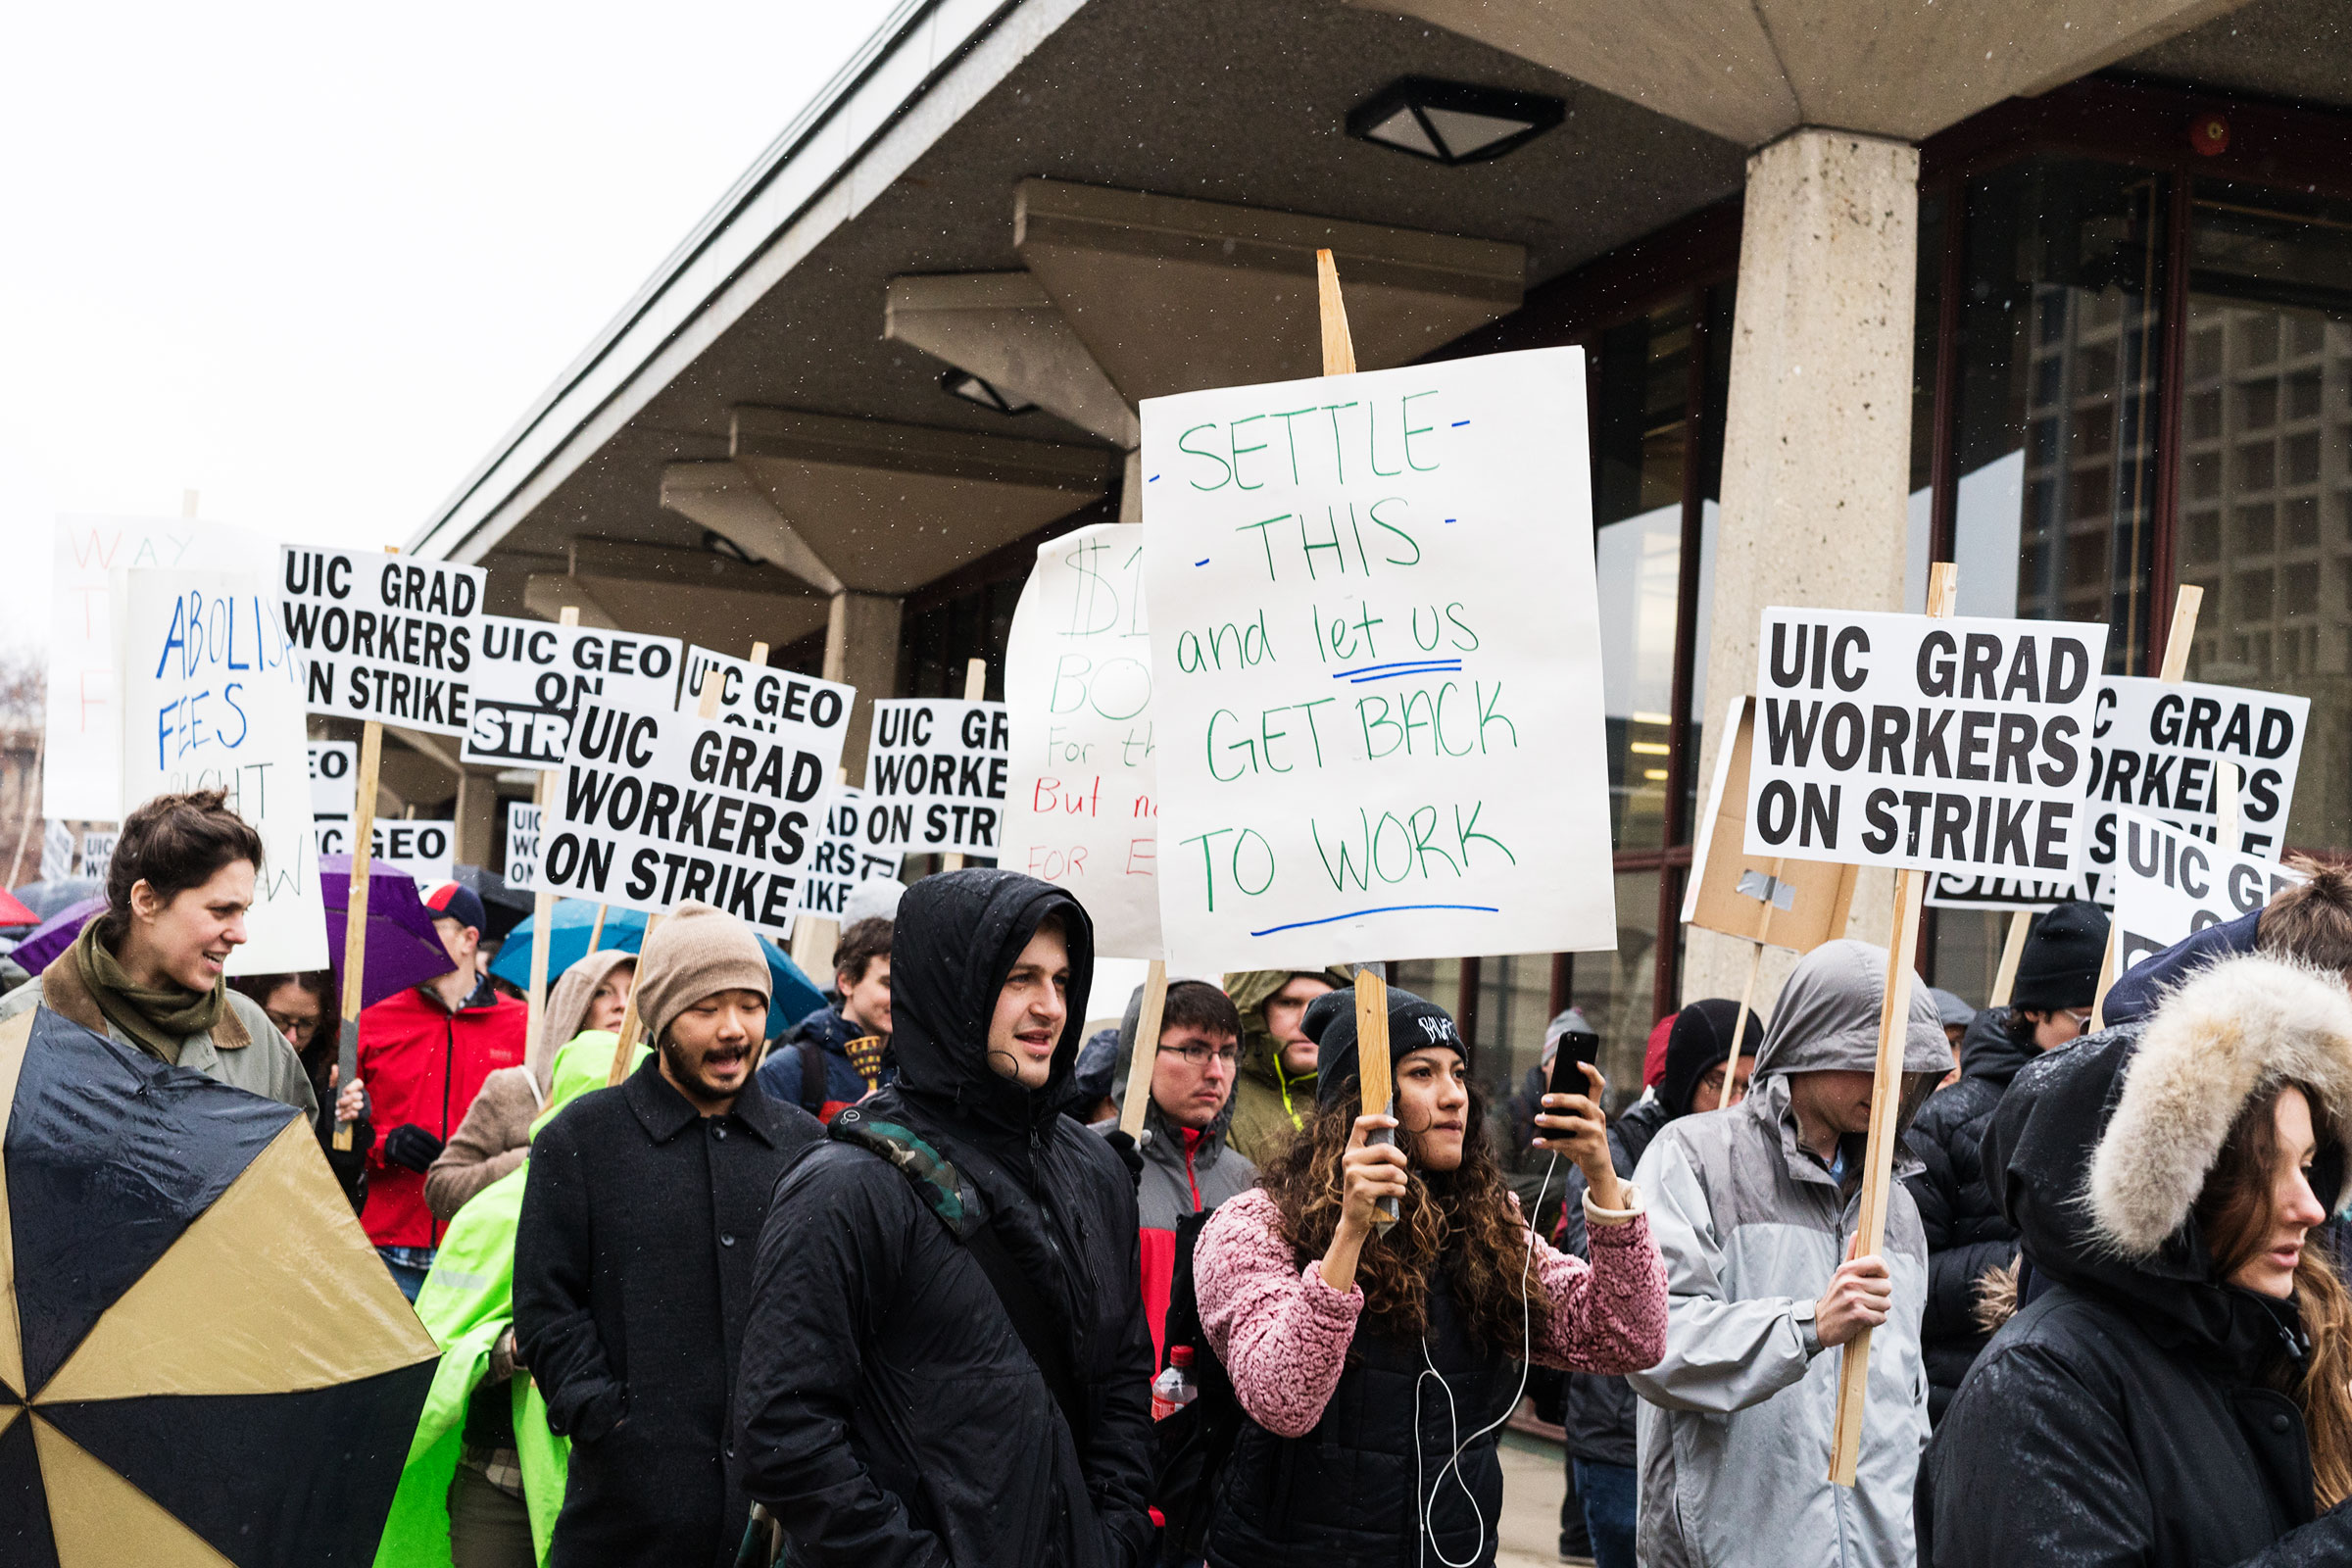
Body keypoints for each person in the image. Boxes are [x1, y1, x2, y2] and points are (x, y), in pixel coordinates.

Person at [734, 870, 1155, 1568]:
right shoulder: (847, 1185)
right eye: (1019, 978)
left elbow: (1121, 1380)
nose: (1050, 1006)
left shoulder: (1096, 1170)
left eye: (1061, 979)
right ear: (952, 987)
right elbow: (784, 1432)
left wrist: (1114, 1536)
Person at [1190, 984, 1664, 1568]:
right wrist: (1349, 1235)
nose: (1453, 1096)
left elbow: (1630, 1337)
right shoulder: (1256, 1225)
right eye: (1422, 1073)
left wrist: (1603, 1180)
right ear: (1359, 1103)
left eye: (1458, 1074)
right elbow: (1284, 1400)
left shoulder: (1487, 1228)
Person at [1922, 951, 2352, 1565]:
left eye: (2308, 1167)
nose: (2311, 1207)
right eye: (2264, 1173)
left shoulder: (2261, 1346)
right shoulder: (2038, 1385)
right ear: (2181, 1187)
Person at [514, 902, 822, 1568]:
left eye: (750, 1005)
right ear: (659, 1018)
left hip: (774, 1521)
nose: (734, 1028)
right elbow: (545, 1307)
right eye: (706, 1008)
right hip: (624, 1526)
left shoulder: (806, 1146)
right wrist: (607, 1421)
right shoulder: (581, 1140)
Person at [1626, 939, 1948, 1568]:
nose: (1890, 1079)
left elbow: (1906, 1403)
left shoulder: (1898, 1204)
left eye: (1905, 1062)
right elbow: (1655, 1345)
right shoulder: (1693, 1159)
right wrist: (1809, 1327)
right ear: (1811, 1042)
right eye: (1868, 1057)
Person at [377, 1026, 650, 1568]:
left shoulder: (663, 1213)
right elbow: (434, 1356)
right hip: (501, 1477)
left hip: (625, 1486)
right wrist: (513, 1347)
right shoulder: (494, 1212)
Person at [1556, 998, 1761, 1568]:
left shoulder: (1750, 1159)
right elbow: (1599, 1277)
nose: (1735, 1103)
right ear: (1685, 1079)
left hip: (1714, 1425)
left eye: (1750, 1085)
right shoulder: (1617, 1149)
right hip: (1621, 1430)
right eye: (1719, 1083)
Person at [0, 790, 328, 1118]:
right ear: (146, 901)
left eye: (243, 912)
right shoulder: (17, 1026)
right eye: (221, 910)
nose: (240, 935)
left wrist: (342, 1133)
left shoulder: (259, 1040)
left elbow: (299, 1151)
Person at [1901, 898, 2106, 1422]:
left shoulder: (2113, 1113)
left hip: (2077, 1395)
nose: (2100, 1037)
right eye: (2085, 1021)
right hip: (1962, 1397)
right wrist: (2023, 1267)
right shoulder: (1945, 1121)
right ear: (2034, 1011)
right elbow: (1903, 1278)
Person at [358, 882, 529, 1298]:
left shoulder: (525, 1024)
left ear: (469, 939)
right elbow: (338, 1131)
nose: (412, 941)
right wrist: (383, 1143)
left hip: (479, 1250)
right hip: (385, 1250)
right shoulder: (372, 1016)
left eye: (428, 929)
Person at [1102, 977, 1256, 1362]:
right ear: (1141, 1053)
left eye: (1228, 1053)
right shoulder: (1088, 1158)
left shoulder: (1249, 1183)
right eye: (1194, 1050)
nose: (1216, 1071)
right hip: (1123, 1395)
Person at [424, 950, 636, 1222]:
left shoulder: (653, 1098)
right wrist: (529, 1160)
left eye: (632, 992)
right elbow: (441, 1190)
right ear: (573, 1005)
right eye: (602, 992)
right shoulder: (513, 1088)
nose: (622, 1004)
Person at [231, 965, 370, 1205]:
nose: (292, 1038)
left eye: (306, 1023)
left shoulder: (328, 1072)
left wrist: (346, 1131)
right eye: (278, 1020)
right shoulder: (225, 1064)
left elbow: (336, 1196)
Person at [755, 915, 892, 1119]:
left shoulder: (915, 1070)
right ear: (847, 982)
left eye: (906, 984)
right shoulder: (788, 1069)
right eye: (887, 984)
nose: (900, 996)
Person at [1221, 966, 1350, 1163]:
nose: (1306, 1023)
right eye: (1289, 1003)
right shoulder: (1218, 1099)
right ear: (1256, 1012)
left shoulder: (1361, 1098)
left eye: (1324, 1004)